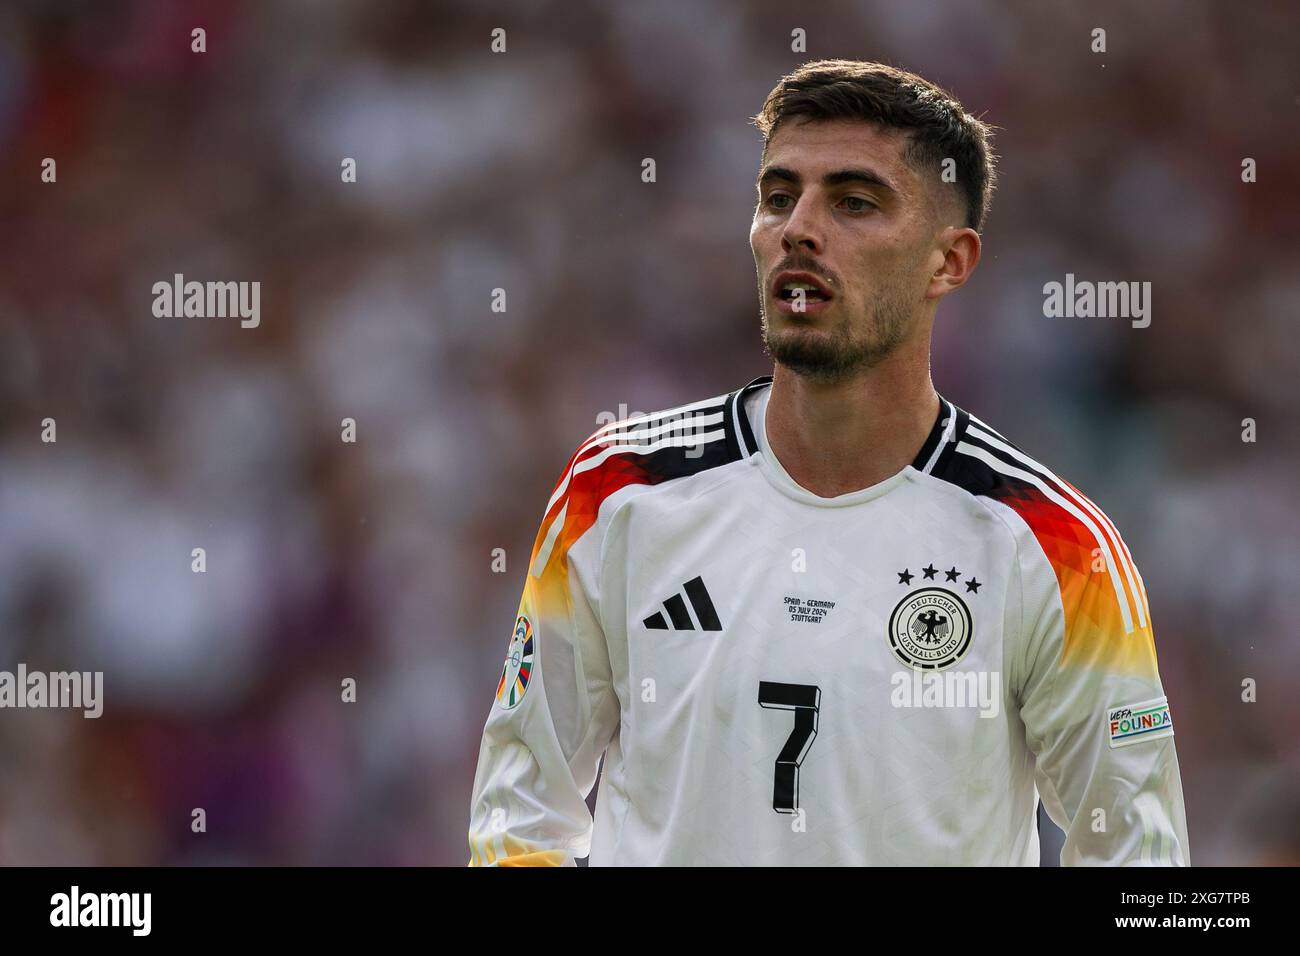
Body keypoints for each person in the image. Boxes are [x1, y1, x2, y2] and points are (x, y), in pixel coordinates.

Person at [467, 59, 1189, 866]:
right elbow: (521, 814)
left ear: (949, 262)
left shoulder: (1055, 549)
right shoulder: (618, 491)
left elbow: (1139, 859)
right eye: (779, 198)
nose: (798, 229)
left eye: (853, 202)